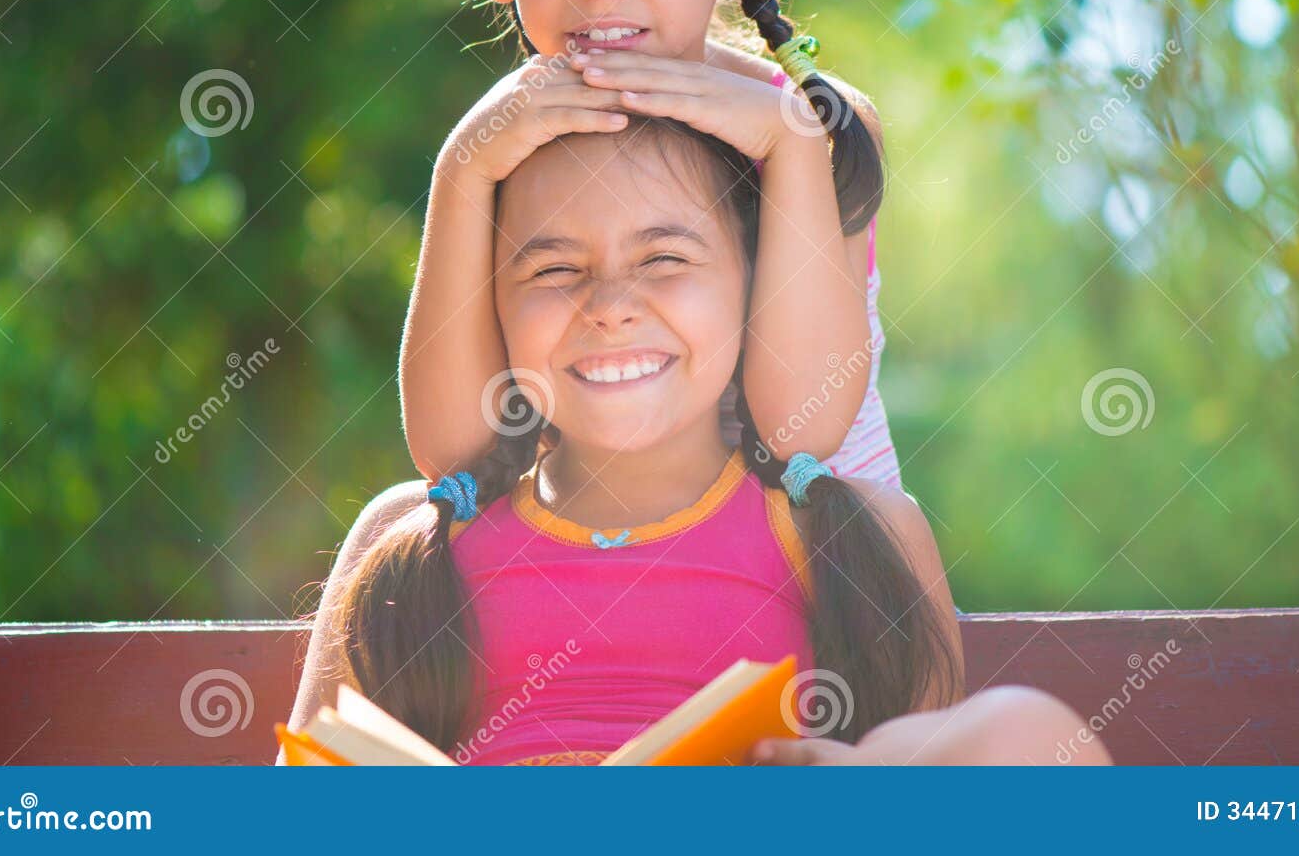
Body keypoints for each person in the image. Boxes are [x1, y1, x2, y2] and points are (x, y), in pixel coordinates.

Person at [278, 114, 1108, 765]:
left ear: (755, 290)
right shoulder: (417, 538)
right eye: (554, 270)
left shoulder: (852, 531)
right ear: (491, 306)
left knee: (1026, 734)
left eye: (665, 258)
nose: (610, 304)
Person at [400, 0, 903, 496]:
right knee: (392, 519)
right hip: (601, 554)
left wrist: (790, 146)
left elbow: (802, 434)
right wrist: (460, 171)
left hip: (808, 562)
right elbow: (451, 454)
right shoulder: (505, 141)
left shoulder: (810, 120)